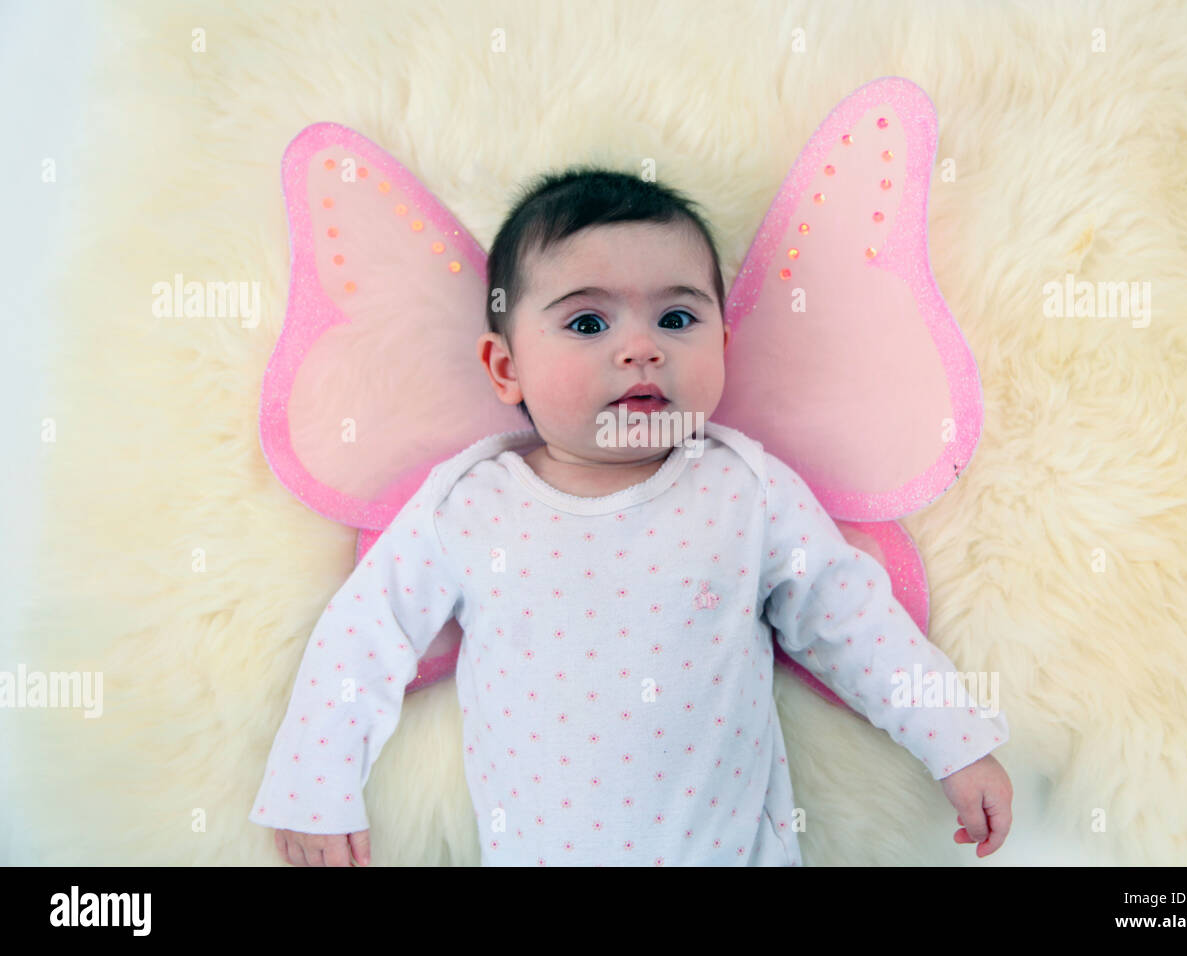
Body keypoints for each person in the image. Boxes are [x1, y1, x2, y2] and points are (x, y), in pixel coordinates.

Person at [250, 167, 1012, 866]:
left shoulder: (745, 490)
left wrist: (954, 742)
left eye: (678, 319)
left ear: (723, 342)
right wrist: (316, 785)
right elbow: (362, 637)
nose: (641, 348)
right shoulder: (472, 507)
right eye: (588, 325)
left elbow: (853, 620)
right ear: (505, 367)